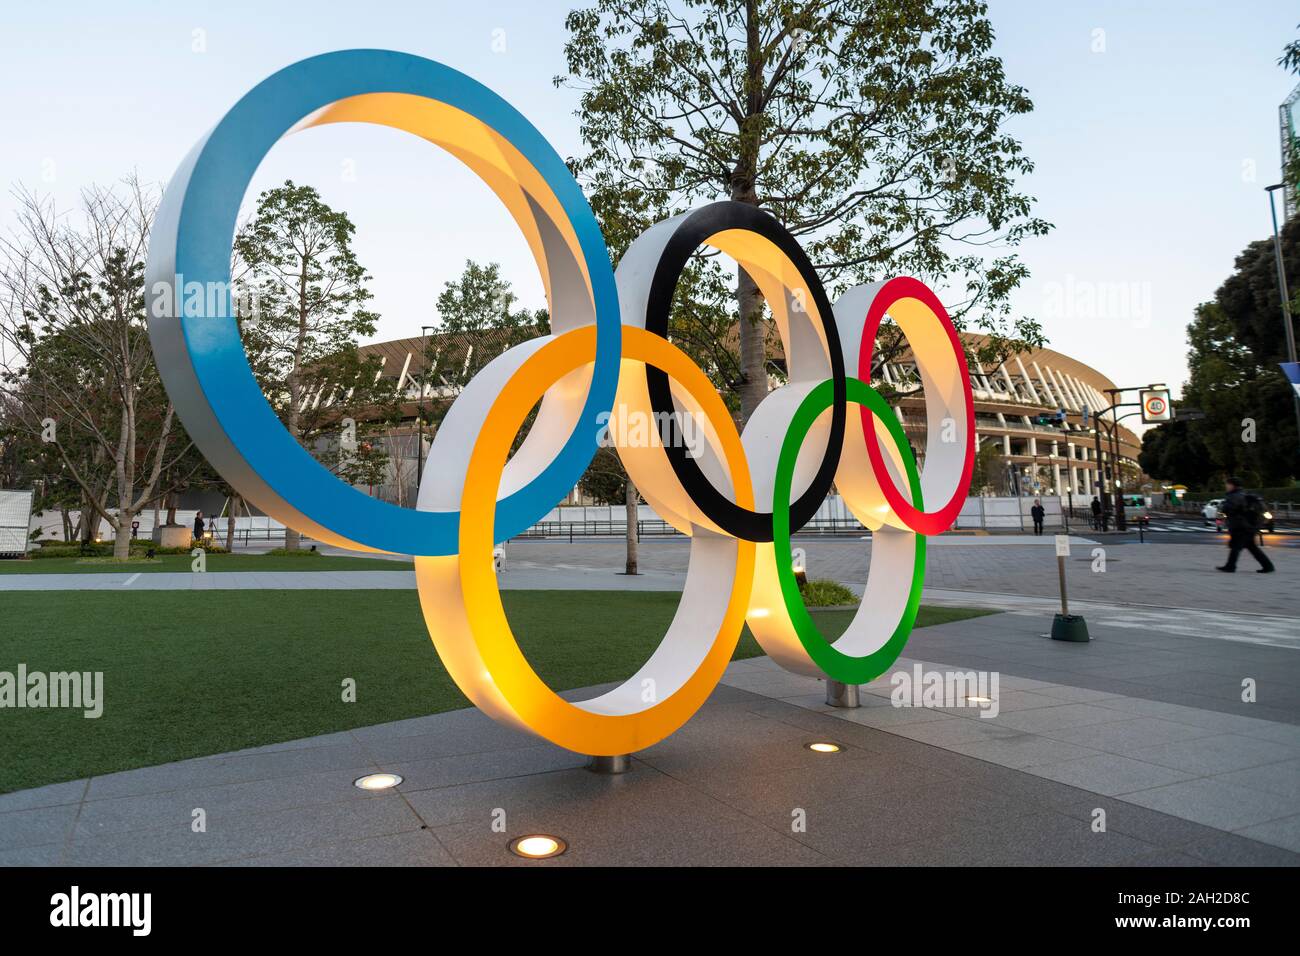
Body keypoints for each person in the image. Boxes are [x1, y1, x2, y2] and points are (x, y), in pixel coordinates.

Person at [1217, 477, 1274, 574]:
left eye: (1227, 484)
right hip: (1248, 525)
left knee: (1236, 546)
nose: (1226, 486)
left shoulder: (1234, 496)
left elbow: (1227, 508)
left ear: (1232, 485)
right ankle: (1268, 566)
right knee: (1251, 547)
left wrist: (1224, 506)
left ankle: (1230, 566)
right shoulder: (1243, 494)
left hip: (1241, 525)